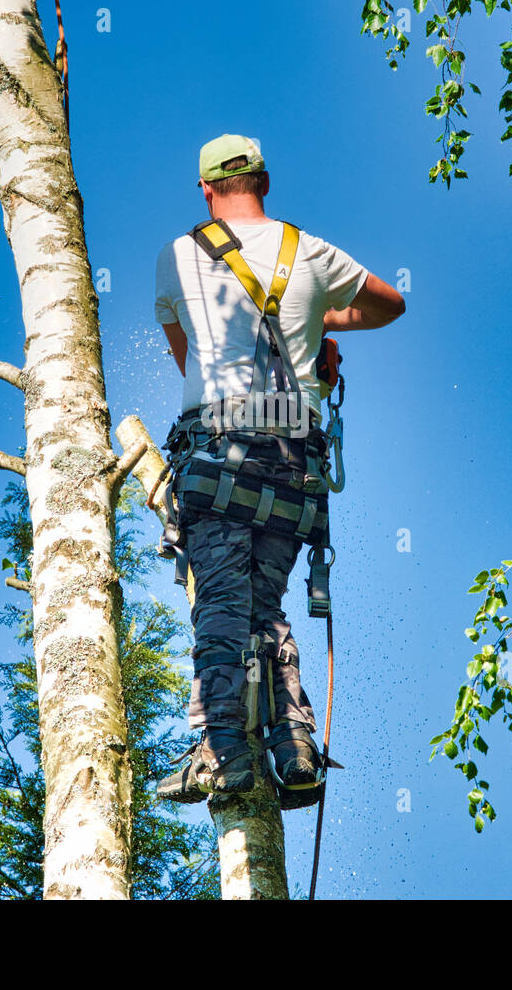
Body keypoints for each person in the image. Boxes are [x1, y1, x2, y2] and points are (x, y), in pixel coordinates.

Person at [153, 133, 405, 807]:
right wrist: (319, 322)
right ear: (264, 181)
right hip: (295, 466)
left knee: (222, 603)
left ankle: (222, 751)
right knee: (265, 608)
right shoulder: (310, 251)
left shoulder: (178, 256)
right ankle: (294, 749)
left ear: (206, 190)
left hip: (219, 456)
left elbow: (188, 362)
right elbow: (389, 303)